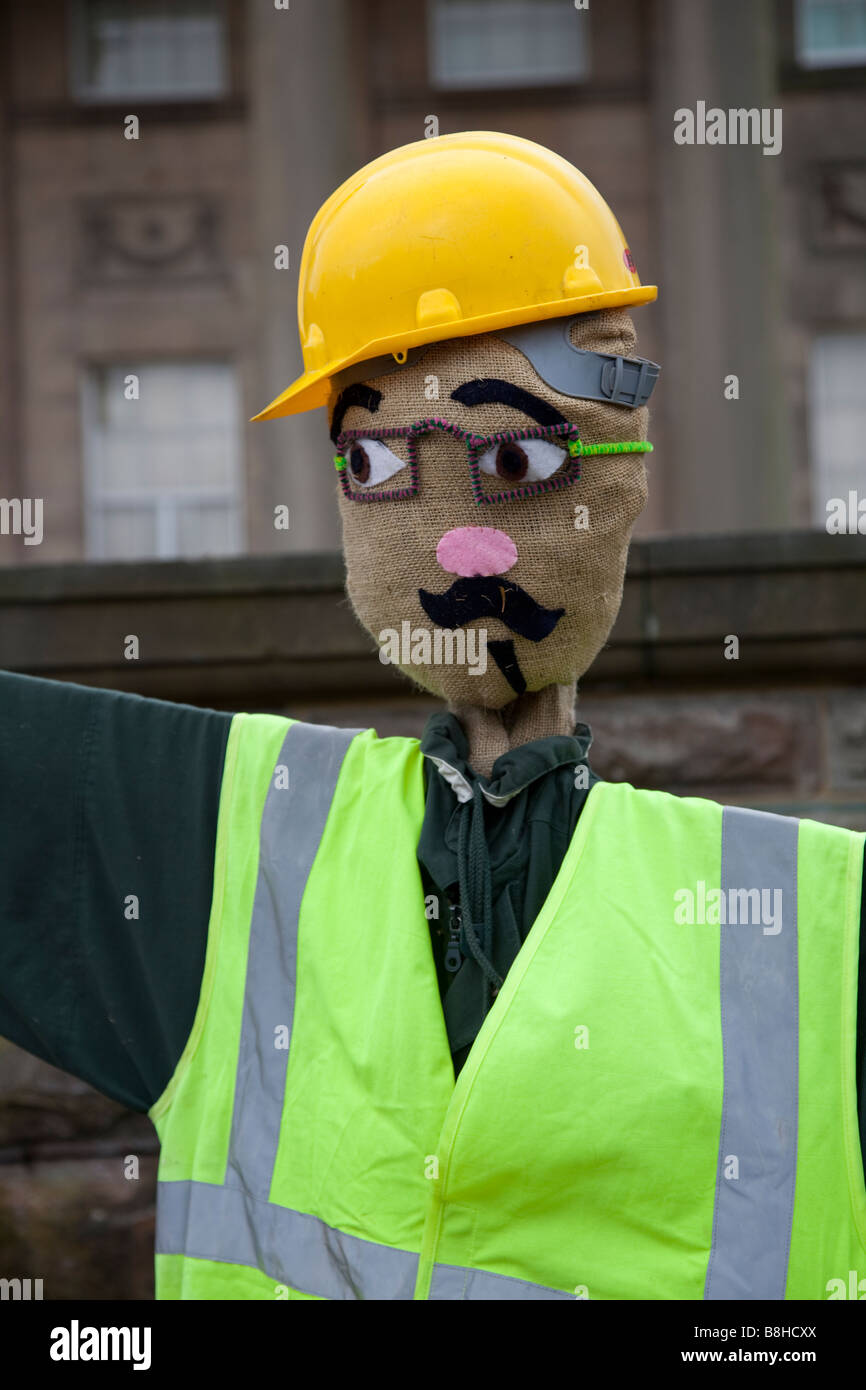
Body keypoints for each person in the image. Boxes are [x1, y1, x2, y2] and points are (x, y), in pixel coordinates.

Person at [1, 132, 864, 1301]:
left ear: (617, 469)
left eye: (514, 453)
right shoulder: (228, 845)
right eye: (377, 468)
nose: (454, 538)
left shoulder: (819, 925)